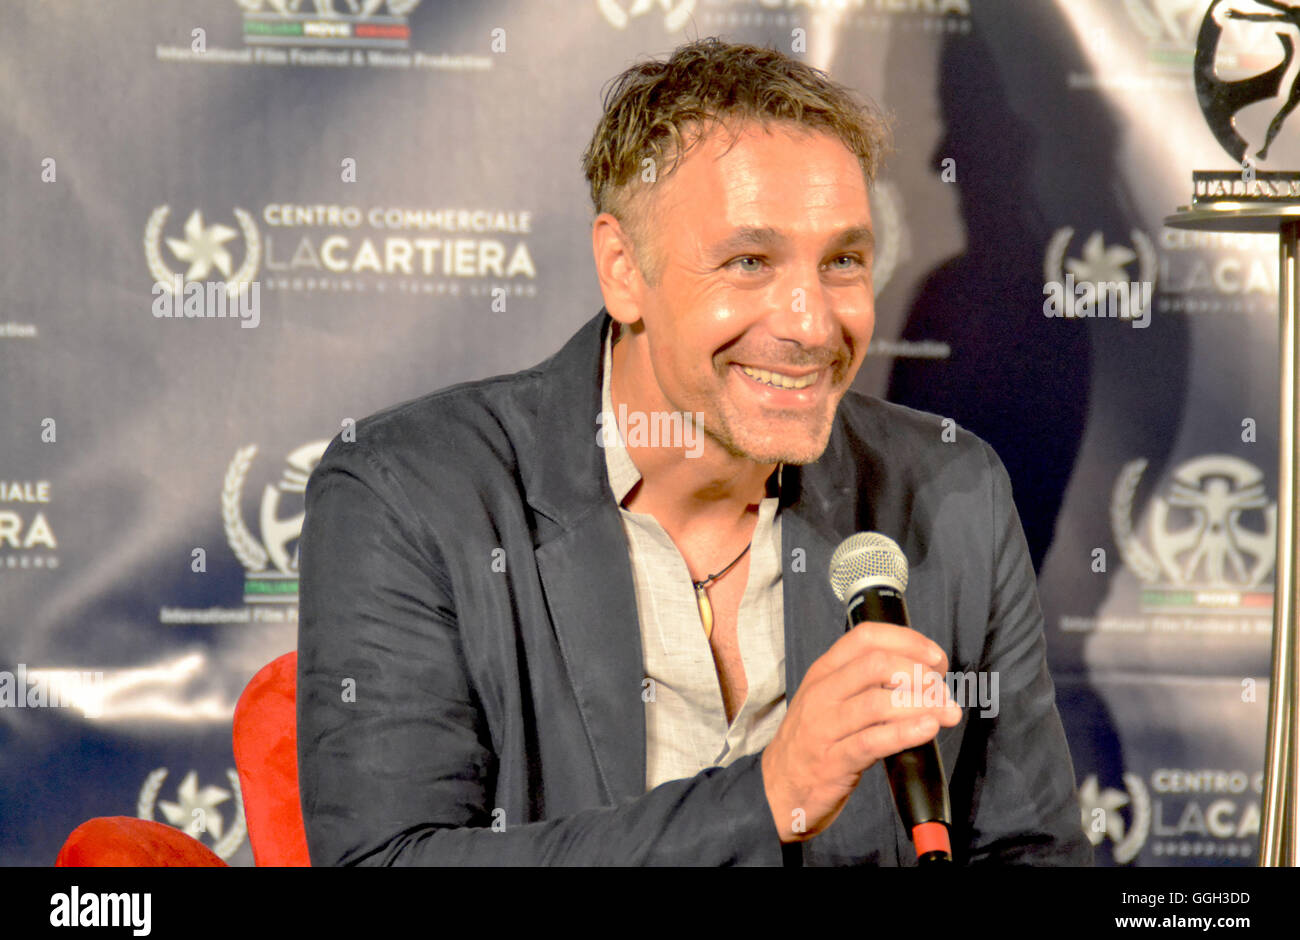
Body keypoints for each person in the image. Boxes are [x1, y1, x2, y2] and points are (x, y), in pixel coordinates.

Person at [296, 37, 1093, 866]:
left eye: (843, 261)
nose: (812, 325)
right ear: (622, 269)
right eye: (749, 262)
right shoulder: (410, 494)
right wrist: (769, 796)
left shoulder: (949, 489)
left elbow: (1031, 851)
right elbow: (388, 860)